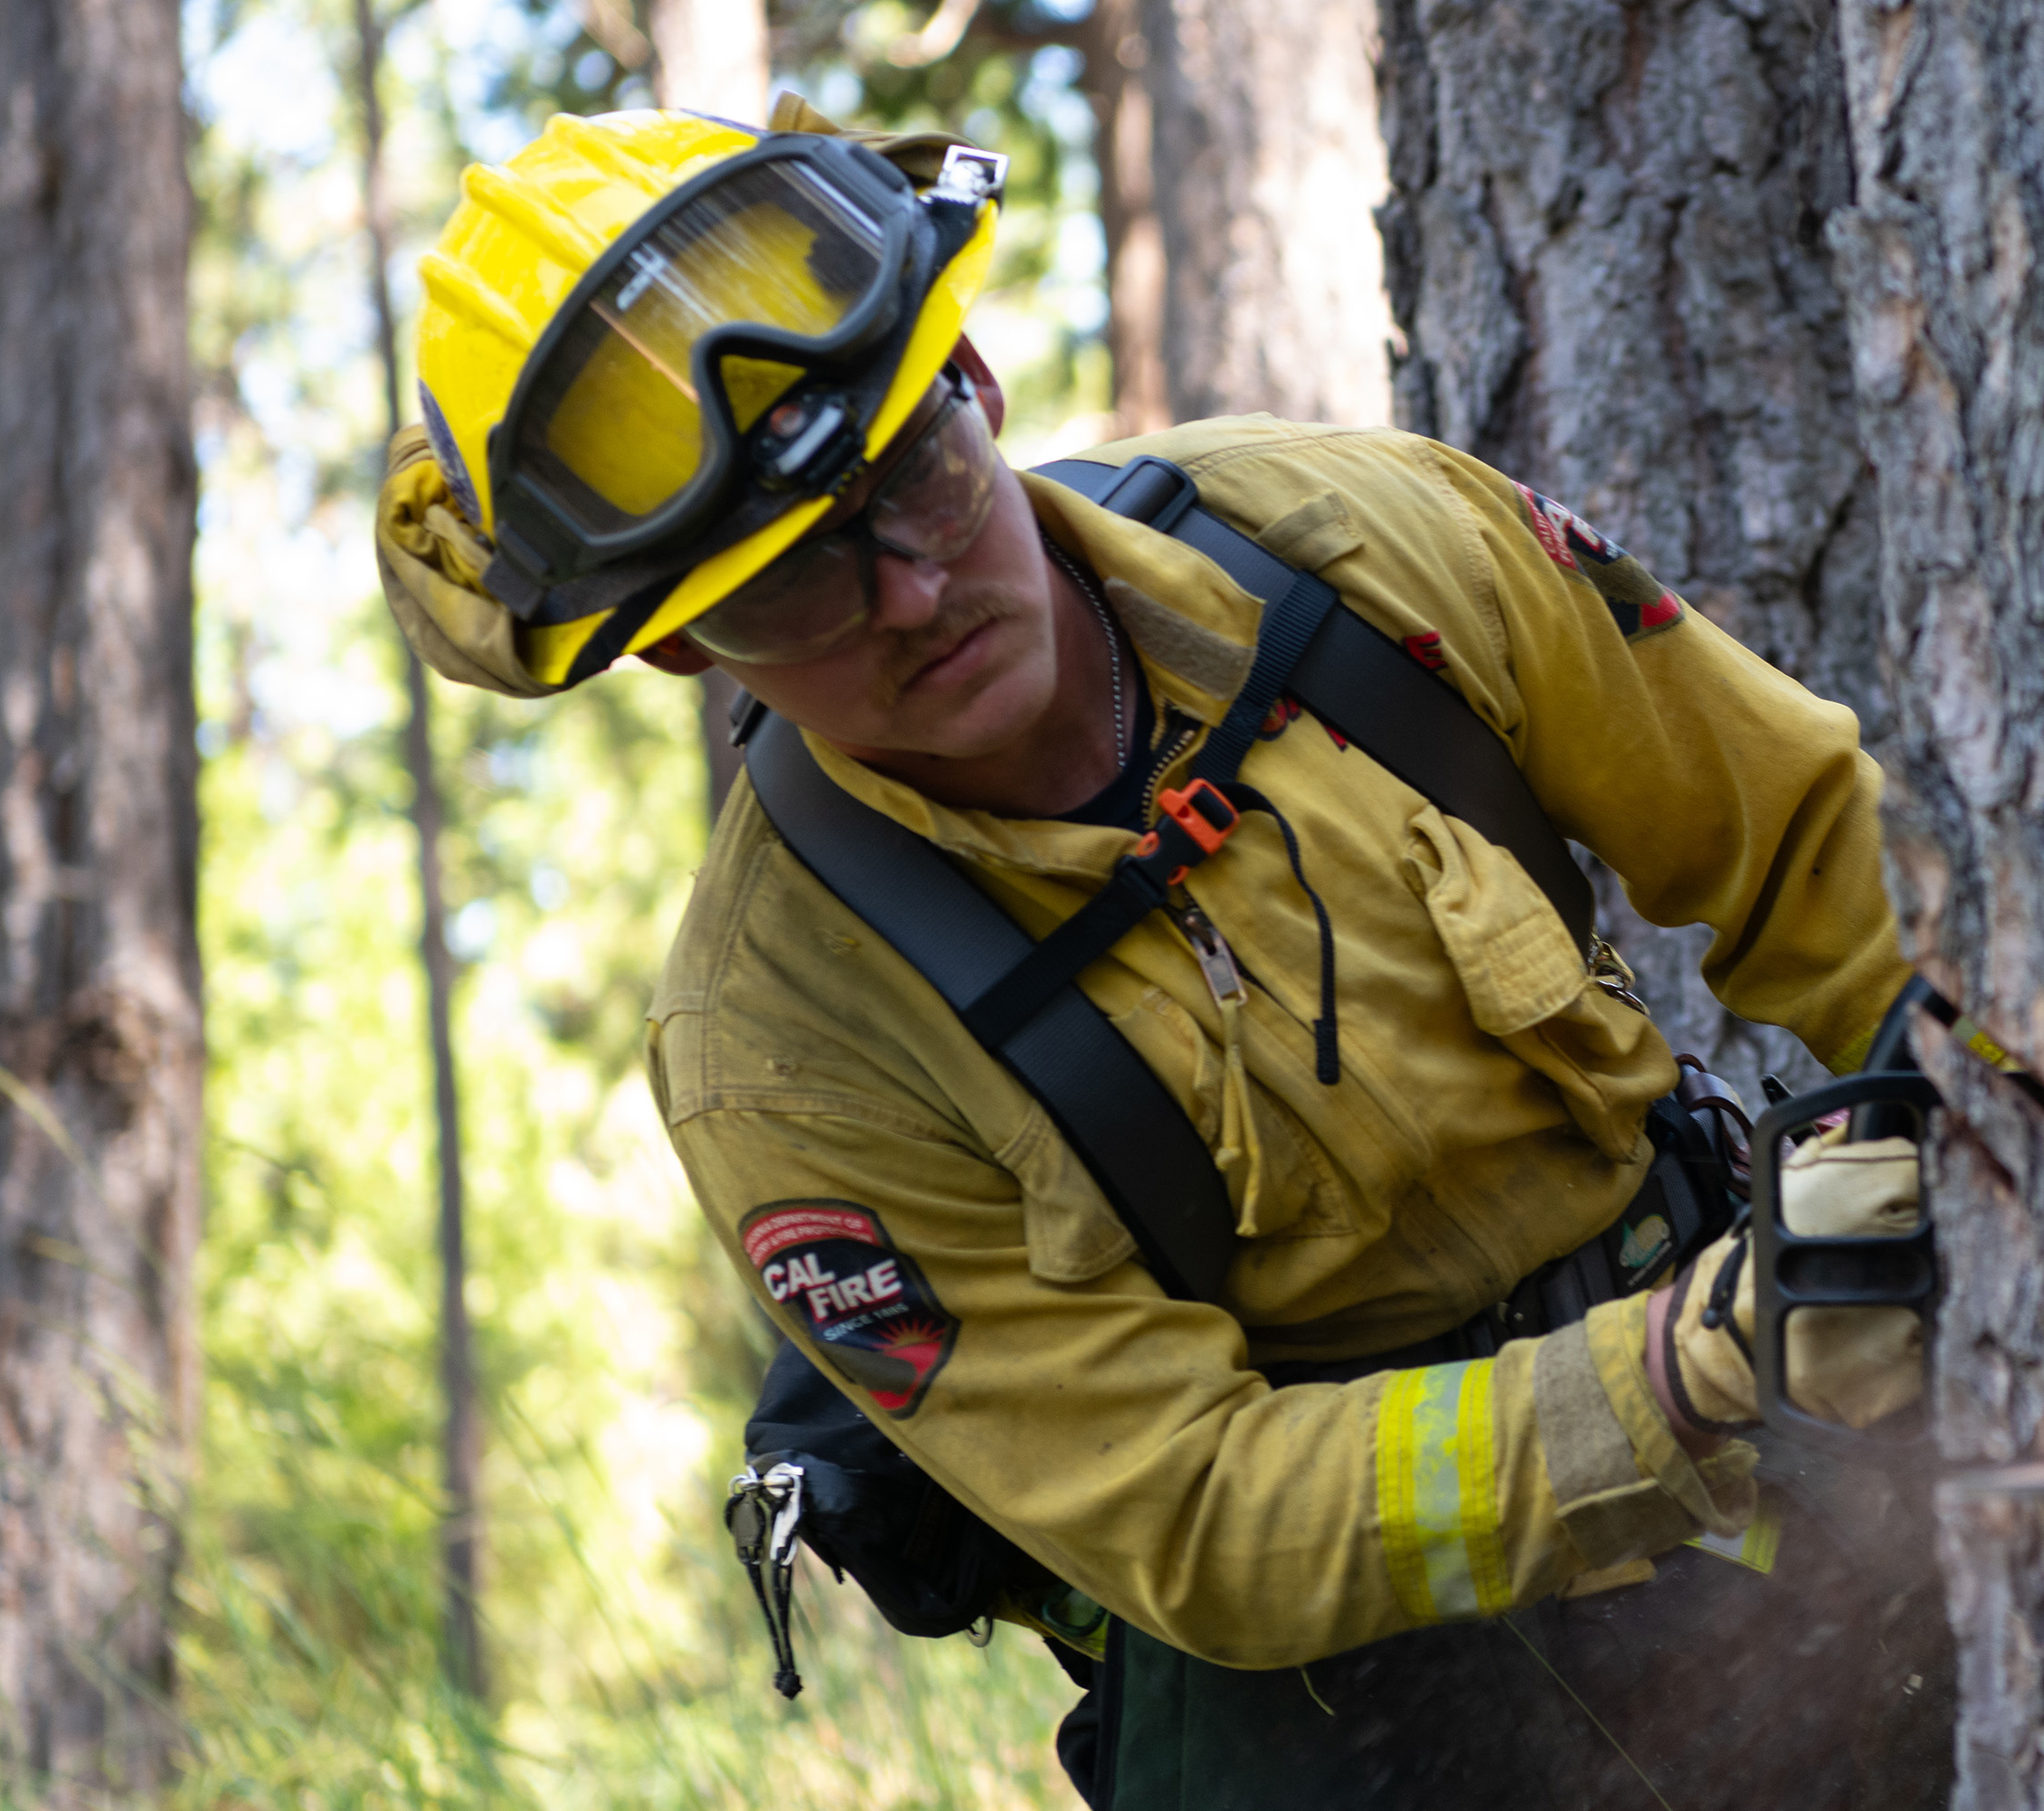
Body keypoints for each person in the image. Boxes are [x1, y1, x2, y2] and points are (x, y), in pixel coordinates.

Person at [379, 100, 1953, 1808]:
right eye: (793, 588)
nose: (908, 594)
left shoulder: (1359, 551)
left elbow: (1826, 858)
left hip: (1756, 1444)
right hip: (1329, 1709)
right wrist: (1693, 1375)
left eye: (908, 473)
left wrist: (1925, 1174)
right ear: (684, 645)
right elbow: (1201, 1520)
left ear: (972, 377)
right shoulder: (782, 1035)